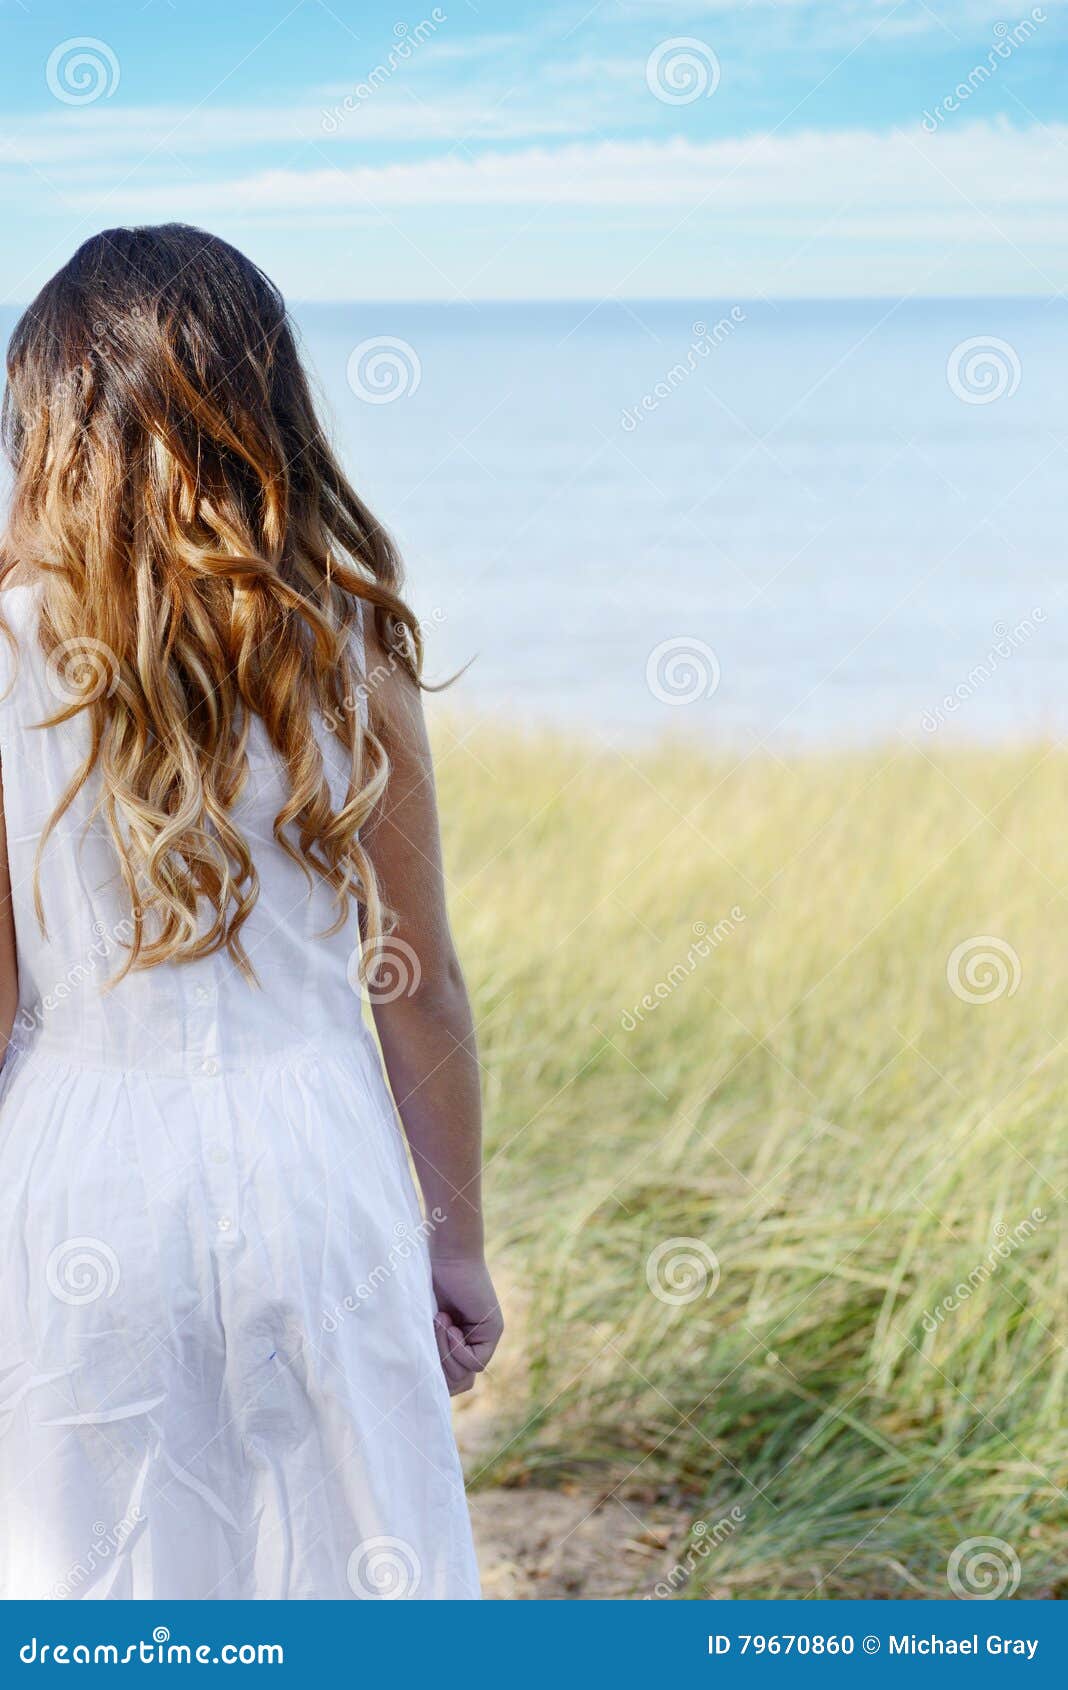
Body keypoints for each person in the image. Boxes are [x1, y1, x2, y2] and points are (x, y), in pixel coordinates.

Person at [0, 224, 501, 1600]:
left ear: (49, 422)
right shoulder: (350, 647)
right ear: (267, 410)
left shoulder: (5, 649)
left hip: (78, 1164)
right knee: (350, 1564)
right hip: (318, 1160)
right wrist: (453, 1235)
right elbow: (416, 983)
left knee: (92, 1574)